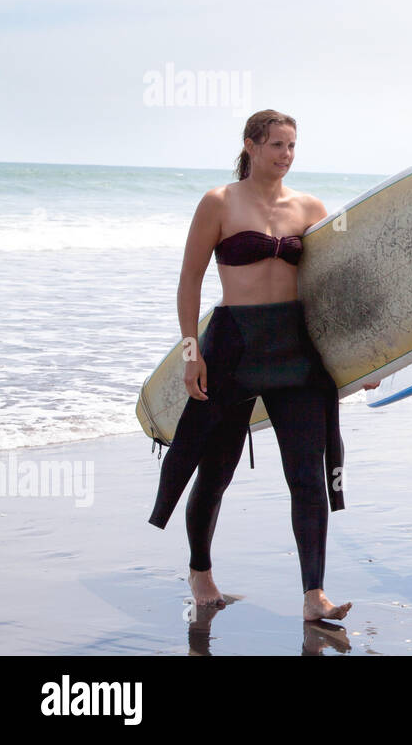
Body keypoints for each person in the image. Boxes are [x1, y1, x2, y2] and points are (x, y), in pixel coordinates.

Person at [148, 110, 352, 622]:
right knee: (215, 471)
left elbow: (330, 288)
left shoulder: (309, 206)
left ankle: (313, 595)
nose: (285, 154)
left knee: (306, 473)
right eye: (277, 144)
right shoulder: (220, 202)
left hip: (292, 349)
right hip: (232, 347)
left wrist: (359, 357)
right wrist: (191, 353)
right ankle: (200, 571)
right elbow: (190, 279)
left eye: (292, 146)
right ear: (251, 145)